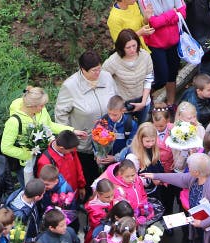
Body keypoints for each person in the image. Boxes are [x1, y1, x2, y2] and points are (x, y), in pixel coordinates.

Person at [55, 52, 117, 185]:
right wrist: (69, 137)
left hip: (109, 138)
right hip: (85, 142)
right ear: (83, 69)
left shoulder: (106, 77)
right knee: (90, 177)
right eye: (94, 70)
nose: (98, 73)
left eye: (99, 68)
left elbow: (115, 99)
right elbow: (61, 114)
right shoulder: (70, 86)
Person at [102, 29, 154, 126]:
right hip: (123, 106)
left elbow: (148, 78)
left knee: (141, 128)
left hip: (143, 100)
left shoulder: (145, 56)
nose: (132, 50)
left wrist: (143, 102)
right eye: (128, 47)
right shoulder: (113, 61)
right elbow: (103, 81)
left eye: (134, 46)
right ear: (121, 48)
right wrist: (115, 104)